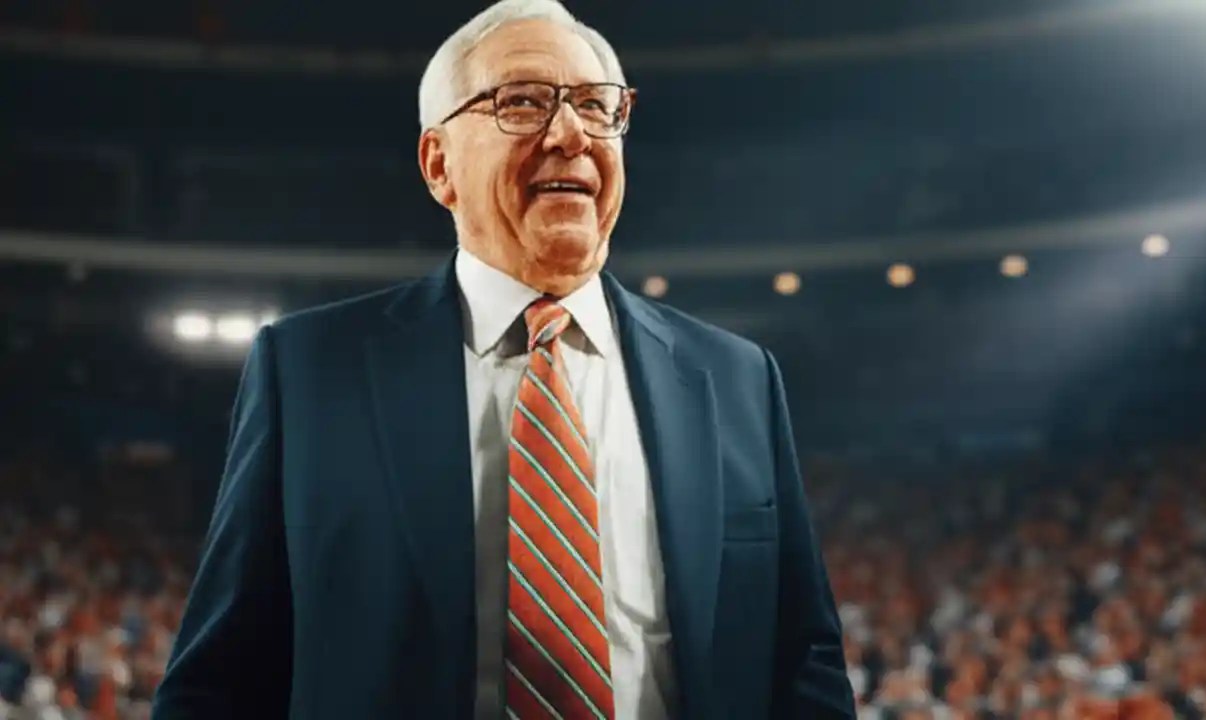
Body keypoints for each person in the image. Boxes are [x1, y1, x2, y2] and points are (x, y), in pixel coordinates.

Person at [151, 1, 853, 718]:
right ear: (438, 164)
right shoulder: (308, 373)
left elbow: (805, 662)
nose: (572, 133)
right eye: (522, 102)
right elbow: (221, 680)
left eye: (597, 106)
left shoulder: (737, 379)